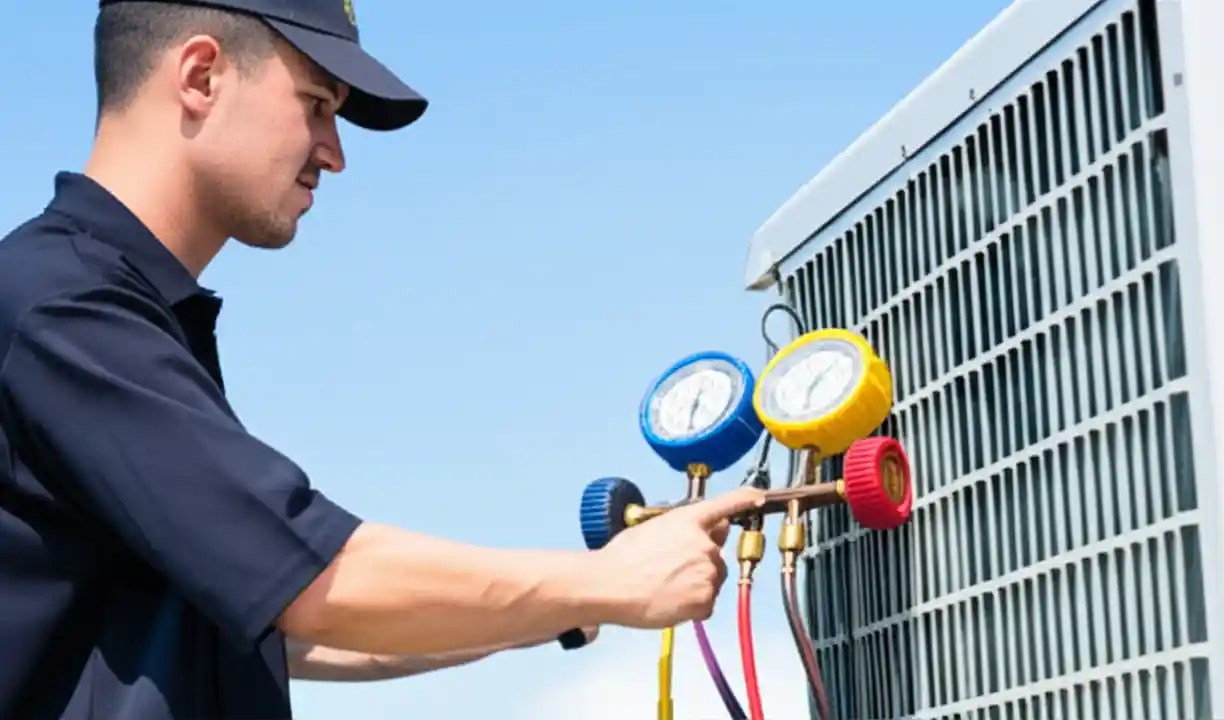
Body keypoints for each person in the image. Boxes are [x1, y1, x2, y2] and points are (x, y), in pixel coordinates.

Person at [0, 1, 767, 718]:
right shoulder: (60, 306)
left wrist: (572, 603)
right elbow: (316, 582)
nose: (333, 155)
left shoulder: (112, 311)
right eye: (316, 105)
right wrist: (607, 580)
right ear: (201, 77)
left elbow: (306, 628)